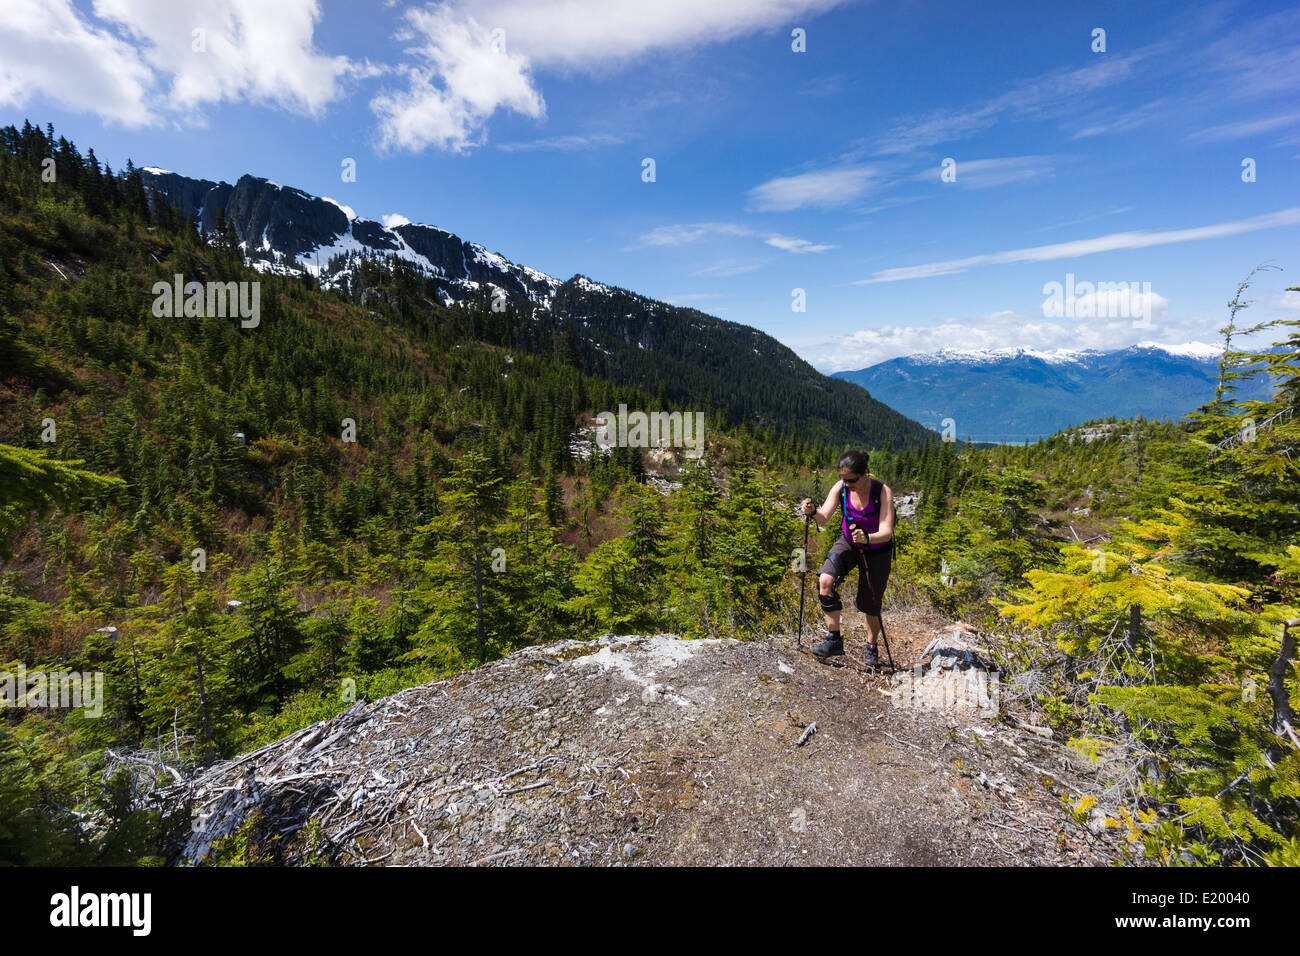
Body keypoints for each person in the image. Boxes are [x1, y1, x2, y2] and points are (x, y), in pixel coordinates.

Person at [799, 450, 895, 666]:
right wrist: (812, 511)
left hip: (877, 549)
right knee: (825, 580)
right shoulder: (841, 487)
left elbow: (887, 531)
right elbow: (824, 518)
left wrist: (868, 538)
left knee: (870, 603)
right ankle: (834, 640)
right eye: (843, 479)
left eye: (852, 480)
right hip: (850, 542)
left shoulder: (882, 492)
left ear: (866, 473)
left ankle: (871, 645)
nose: (847, 483)